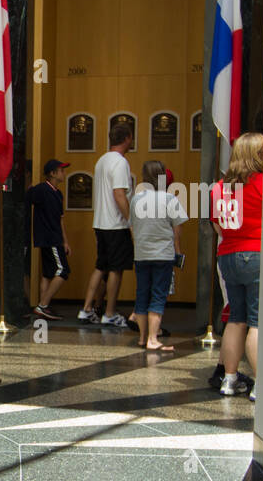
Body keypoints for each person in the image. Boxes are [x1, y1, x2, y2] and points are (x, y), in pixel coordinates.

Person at [210, 132, 263, 400]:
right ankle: (260, 383)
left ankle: (229, 380)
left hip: (228, 255)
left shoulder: (220, 187)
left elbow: (218, 226)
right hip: (257, 253)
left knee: (235, 319)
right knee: (256, 323)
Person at [79, 123, 135, 327]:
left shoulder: (102, 160)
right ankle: (110, 313)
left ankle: (86, 309)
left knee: (100, 266)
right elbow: (119, 194)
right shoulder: (120, 163)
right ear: (127, 138)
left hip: (100, 222)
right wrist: (131, 221)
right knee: (116, 269)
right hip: (115, 224)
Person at [130, 162, 187, 351]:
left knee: (141, 294)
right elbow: (177, 229)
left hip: (141, 253)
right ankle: (153, 339)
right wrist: (177, 250)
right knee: (158, 295)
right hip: (163, 254)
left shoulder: (136, 199)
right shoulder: (170, 199)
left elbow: (132, 227)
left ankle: (141, 337)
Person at [28, 159, 71, 321]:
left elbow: (60, 220)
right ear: (52, 173)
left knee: (47, 274)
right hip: (49, 238)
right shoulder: (41, 190)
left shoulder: (58, 194)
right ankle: (43, 305)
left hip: (55, 237)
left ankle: (42, 305)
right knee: (63, 270)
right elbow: (27, 197)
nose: (63, 173)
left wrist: (65, 241)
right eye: (61, 170)